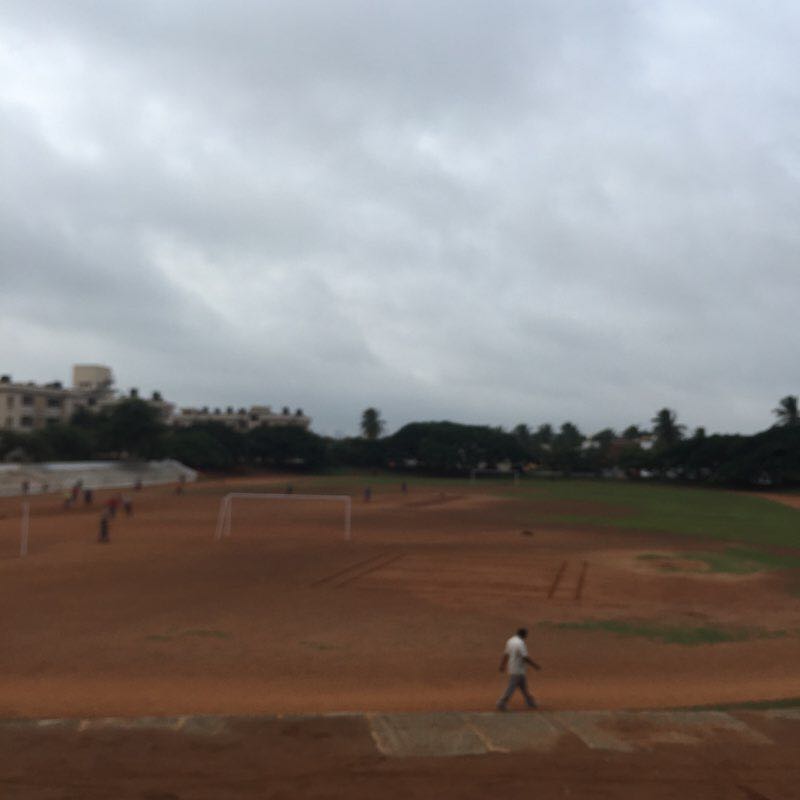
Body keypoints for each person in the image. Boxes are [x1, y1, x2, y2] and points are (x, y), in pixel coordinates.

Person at [496, 628, 541, 711]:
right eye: (526, 635)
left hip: (512, 667)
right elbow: (525, 657)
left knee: (523, 687)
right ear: (523, 634)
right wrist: (535, 665)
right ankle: (501, 703)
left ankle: (530, 702)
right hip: (518, 669)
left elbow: (506, 654)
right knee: (511, 687)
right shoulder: (520, 643)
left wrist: (502, 665)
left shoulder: (510, 641)